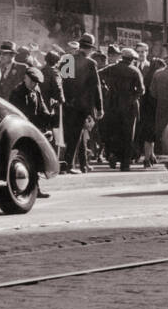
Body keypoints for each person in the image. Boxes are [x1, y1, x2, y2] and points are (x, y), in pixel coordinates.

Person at [61, 34, 103, 174]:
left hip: (67, 103)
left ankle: (83, 164)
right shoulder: (90, 63)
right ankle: (68, 164)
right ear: (90, 49)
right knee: (76, 134)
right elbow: (96, 87)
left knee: (77, 133)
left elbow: (63, 81)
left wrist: (66, 99)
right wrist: (99, 107)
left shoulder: (67, 59)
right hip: (82, 105)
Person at [13, 67, 55, 198]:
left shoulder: (36, 91)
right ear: (25, 78)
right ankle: (24, 189)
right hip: (22, 131)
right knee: (26, 160)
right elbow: (18, 113)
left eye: (36, 83)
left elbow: (42, 109)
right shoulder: (17, 92)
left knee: (35, 160)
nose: (34, 85)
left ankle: (35, 189)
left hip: (34, 130)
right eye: (32, 82)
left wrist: (50, 117)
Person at [101, 48, 145, 171]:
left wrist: (106, 88)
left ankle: (113, 155)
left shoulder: (111, 68)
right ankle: (125, 163)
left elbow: (98, 75)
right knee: (128, 134)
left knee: (114, 132)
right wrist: (132, 98)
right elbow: (141, 90)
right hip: (129, 106)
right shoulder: (134, 70)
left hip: (113, 104)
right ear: (132, 59)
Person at [40, 49, 66, 168]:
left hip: (41, 104)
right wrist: (61, 100)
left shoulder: (41, 71)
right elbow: (58, 91)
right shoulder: (55, 72)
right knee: (54, 133)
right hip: (51, 106)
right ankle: (53, 161)